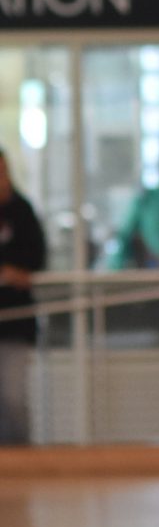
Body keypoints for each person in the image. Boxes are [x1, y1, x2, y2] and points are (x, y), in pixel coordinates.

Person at [0, 149, 46, 445]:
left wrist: (15, 272)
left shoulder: (23, 211)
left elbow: (37, 258)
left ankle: (20, 456)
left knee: (13, 397)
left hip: (15, 325)